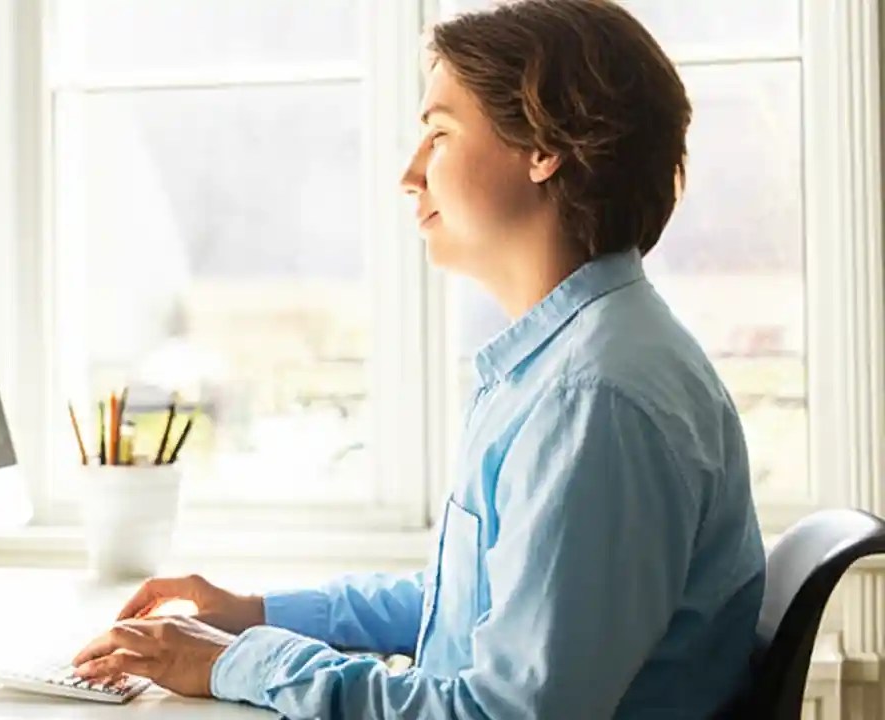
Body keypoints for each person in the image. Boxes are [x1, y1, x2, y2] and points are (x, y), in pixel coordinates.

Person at [70, 1, 766, 717]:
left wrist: (239, 662)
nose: (410, 173)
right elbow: (463, 607)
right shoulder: (572, 361)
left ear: (543, 147)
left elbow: (504, 713)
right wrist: (254, 613)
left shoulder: (594, 398)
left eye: (437, 134)